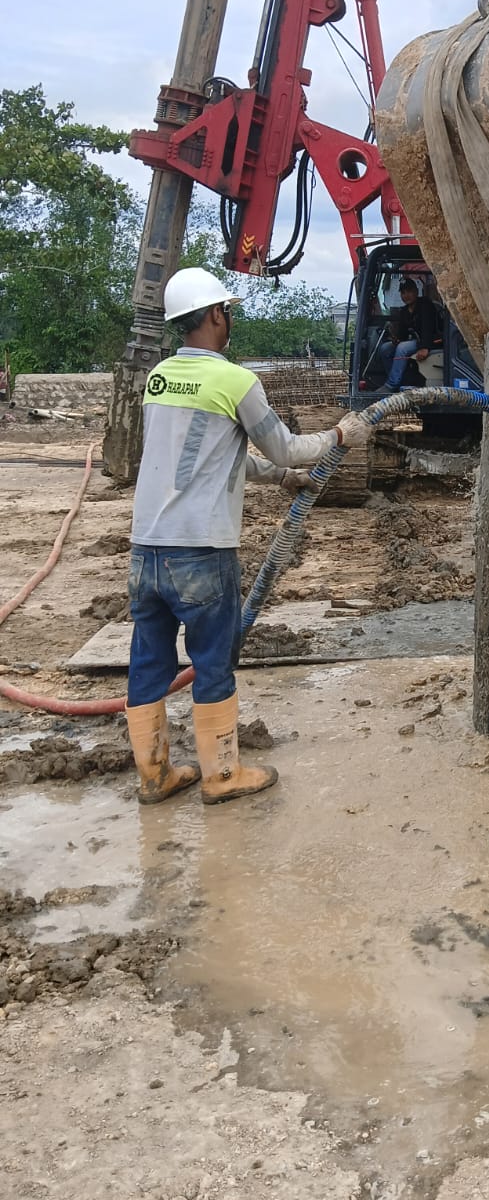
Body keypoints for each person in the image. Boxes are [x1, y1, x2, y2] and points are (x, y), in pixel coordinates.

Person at [125, 267, 370, 808]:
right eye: (227, 311)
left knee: (148, 662)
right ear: (216, 315)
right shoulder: (236, 381)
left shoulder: (160, 378)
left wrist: (279, 479)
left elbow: (204, 457)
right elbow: (283, 447)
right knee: (213, 660)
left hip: (146, 549)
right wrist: (338, 435)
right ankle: (221, 775)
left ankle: (154, 776)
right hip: (202, 550)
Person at [380, 278, 440, 391]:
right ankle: (398, 380)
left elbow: (428, 328)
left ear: (416, 292)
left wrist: (425, 347)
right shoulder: (404, 311)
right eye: (403, 293)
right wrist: (397, 338)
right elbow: (403, 333)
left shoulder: (425, 305)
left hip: (430, 341)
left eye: (409, 291)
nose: (406, 295)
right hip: (415, 341)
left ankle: (391, 385)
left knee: (402, 348)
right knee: (385, 348)